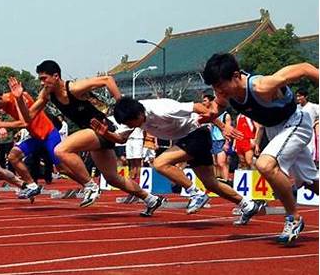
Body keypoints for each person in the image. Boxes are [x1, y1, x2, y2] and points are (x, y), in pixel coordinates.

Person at [16, 60, 164, 215]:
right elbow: (28, 117)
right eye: (40, 79)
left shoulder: (74, 88)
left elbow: (107, 80)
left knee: (60, 150)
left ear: (56, 76)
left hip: (102, 128)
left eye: (44, 78)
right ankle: (151, 199)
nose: (42, 83)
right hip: (92, 133)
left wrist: (121, 104)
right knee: (113, 179)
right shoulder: (47, 94)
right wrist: (19, 99)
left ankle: (90, 186)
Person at [202, 53, 319, 245]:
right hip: (275, 130)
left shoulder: (262, 86)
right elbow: (217, 106)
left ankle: (294, 218)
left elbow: (304, 68)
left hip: (295, 122)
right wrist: (221, 124)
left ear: (236, 75)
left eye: (220, 85)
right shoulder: (225, 92)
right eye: (214, 86)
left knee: (265, 164)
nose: (218, 91)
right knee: (309, 181)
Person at [99, 96, 264, 223]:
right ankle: (248, 205)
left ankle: (195, 194)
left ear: (139, 114)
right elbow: (120, 139)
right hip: (187, 138)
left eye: (131, 123)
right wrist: (105, 133)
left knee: (160, 163)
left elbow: (198, 107)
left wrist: (223, 127)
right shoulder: (134, 118)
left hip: (197, 133)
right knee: (211, 183)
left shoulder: (162, 109)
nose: (131, 126)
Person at [202, 94, 231, 181]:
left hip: (220, 140)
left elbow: (228, 130)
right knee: (214, 163)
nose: (203, 103)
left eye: (205, 101)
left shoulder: (226, 115)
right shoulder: (207, 114)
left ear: (211, 102)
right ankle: (217, 181)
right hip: (211, 140)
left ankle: (226, 181)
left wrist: (226, 143)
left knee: (221, 163)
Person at [296, 88, 319, 164]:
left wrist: (317, 122)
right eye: (297, 96)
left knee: (310, 152)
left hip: (309, 133)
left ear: (305, 96)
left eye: (300, 96)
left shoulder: (313, 106)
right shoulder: (296, 108)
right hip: (297, 133)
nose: (298, 98)